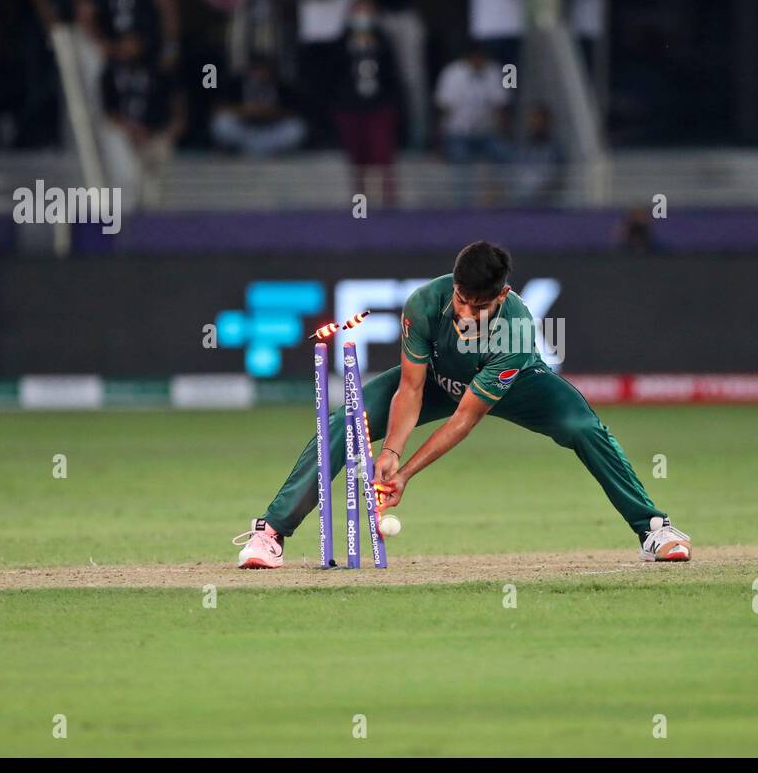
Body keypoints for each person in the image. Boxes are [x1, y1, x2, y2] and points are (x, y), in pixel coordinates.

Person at [232, 241, 692, 569]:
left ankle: (653, 528)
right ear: (453, 284)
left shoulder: (515, 328)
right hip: (437, 379)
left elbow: (466, 417)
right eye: (461, 300)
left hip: (519, 386)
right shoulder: (424, 303)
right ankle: (270, 532)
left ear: (504, 296)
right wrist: (390, 452)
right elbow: (410, 388)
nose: (467, 313)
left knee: (583, 429)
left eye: (480, 306)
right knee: (346, 419)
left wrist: (406, 473)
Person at [288, 0, 369, 141]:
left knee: (346, 88)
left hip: (346, 31)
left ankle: (344, 136)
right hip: (314, 32)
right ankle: (318, 136)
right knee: (316, 88)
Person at [100, 32, 185, 206]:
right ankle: (128, 214)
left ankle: (153, 216)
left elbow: (175, 99)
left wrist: (173, 127)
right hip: (124, 134)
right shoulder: (110, 72)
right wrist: (130, 129)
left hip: (155, 134)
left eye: (131, 42)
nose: (127, 47)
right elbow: (109, 111)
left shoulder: (158, 70)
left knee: (156, 183)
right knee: (128, 174)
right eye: (123, 42)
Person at [364, 0, 428, 148]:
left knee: (412, 77)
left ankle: (418, 135)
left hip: (405, 14)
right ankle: (375, 135)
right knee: (372, 75)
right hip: (375, 16)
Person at [19, 0, 81, 147]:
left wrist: (70, 23)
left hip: (66, 31)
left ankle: (59, 135)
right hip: (39, 33)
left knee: (63, 83)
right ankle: (35, 135)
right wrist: (50, 22)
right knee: (37, 83)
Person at [333, 0, 401, 205]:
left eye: (367, 12)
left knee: (382, 154)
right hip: (350, 107)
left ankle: (389, 202)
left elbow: (392, 75)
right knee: (357, 158)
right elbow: (332, 76)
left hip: (379, 106)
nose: (362, 17)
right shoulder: (340, 43)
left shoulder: (384, 42)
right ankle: (359, 204)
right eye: (358, 12)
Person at [435, 44, 511, 204]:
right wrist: (439, 139)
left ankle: (506, 201)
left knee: (505, 154)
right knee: (460, 161)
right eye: (476, 59)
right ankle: (462, 206)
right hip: (458, 134)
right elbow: (444, 109)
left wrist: (504, 133)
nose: (480, 62)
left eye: (482, 59)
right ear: (469, 58)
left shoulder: (496, 71)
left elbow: (500, 106)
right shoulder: (452, 73)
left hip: (487, 133)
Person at [210, 55, 307, 157]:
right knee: (221, 123)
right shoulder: (235, 84)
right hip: (244, 130)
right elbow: (219, 108)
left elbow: (294, 112)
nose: (260, 74)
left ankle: (264, 150)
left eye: (264, 70)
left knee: (296, 128)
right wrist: (245, 111)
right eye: (256, 69)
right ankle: (247, 149)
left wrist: (271, 113)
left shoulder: (282, 86)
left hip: (271, 132)